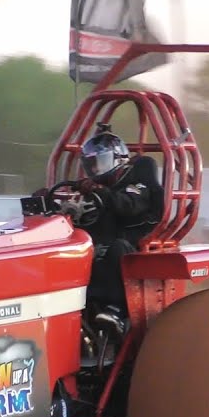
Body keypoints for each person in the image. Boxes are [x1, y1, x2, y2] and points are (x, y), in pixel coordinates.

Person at [33, 126, 163, 324]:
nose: (95, 170)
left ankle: (117, 309)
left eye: (99, 163)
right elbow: (77, 215)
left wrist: (100, 191)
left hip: (127, 242)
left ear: (118, 158)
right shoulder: (98, 189)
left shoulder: (135, 183)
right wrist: (48, 205)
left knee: (117, 249)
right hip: (97, 243)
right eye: (91, 165)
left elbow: (127, 206)